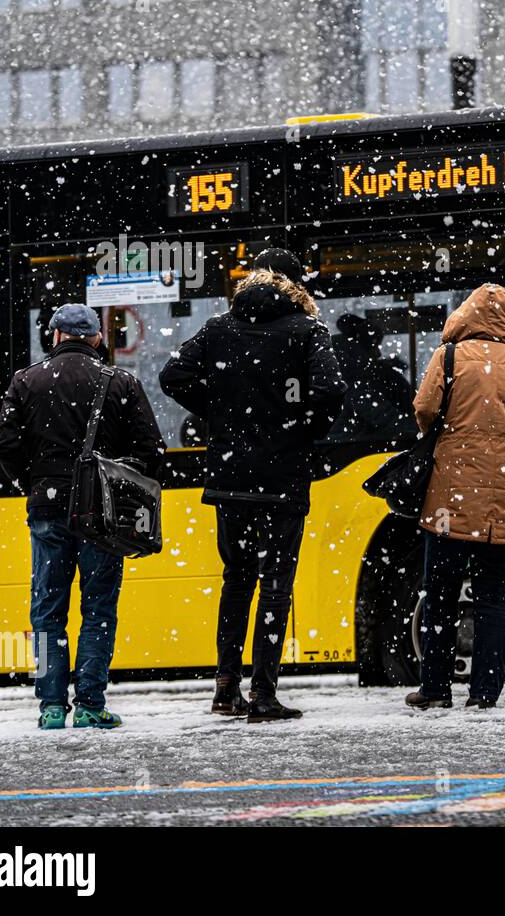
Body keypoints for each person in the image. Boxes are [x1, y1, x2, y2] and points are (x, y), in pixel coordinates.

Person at [160, 248, 346, 722]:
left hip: (229, 477)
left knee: (236, 579)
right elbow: (330, 392)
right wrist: (301, 429)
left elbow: (172, 375)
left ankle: (225, 688)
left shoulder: (220, 328)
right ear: (296, 284)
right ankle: (263, 694)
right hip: (283, 479)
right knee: (276, 585)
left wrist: (220, 414)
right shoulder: (307, 330)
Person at [0, 303, 166, 730]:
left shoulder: (25, 381)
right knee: (99, 607)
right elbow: (152, 451)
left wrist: (32, 482)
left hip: (46, 506)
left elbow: (4, 446)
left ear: (54, 336)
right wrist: (117, 480)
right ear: (97, 339)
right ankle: (90, 703)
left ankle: (51, 707)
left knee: (47, 609)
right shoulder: (120, 382)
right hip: (101, 515)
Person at [404, 283, 505, 711]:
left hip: (450, 498)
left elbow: (425, 410)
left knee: (441, 592)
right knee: (493, 595)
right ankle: (485, 692)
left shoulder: (448, 358)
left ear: (466, 315)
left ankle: (435, 688)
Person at [328, 312, 417, 445]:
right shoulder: (353, 381)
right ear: (360, 349)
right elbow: (384, 416)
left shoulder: (340, 367)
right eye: (374, 346)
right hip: (343, 450)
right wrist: (421, 430)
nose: (379, 353)